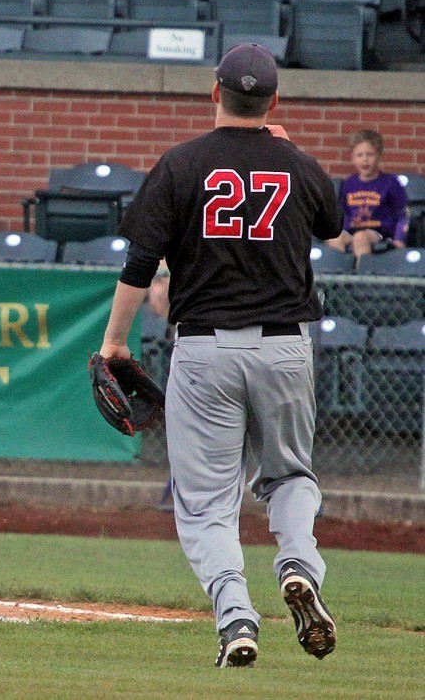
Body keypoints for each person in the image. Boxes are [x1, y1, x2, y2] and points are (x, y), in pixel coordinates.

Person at [97, 44, 342, 668]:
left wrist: (115, 341)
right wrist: (290, 152)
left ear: (215, 92)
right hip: (284, 345)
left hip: (205, 349)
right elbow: (332, 223)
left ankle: (235, 616)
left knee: (206, 501)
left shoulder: (182, 164)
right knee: (290, 475)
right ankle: (297, 564)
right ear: (274, 101)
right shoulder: (298, 164)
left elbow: (139, 263)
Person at [325, 129, 409, 265]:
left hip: (379, 233)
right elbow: (343, 213)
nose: (365, 159)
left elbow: (402, 213)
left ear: (379, 155)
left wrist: (399, 238)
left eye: (370, 154)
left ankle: (362, 273)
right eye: (359, 155)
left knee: (361, 238)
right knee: (335, 238)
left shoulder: (390, 183)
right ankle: (338, 273)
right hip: (352, 230)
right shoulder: (349, 183)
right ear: (352, 157)